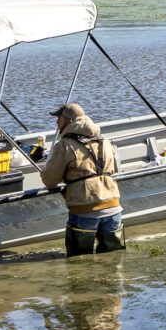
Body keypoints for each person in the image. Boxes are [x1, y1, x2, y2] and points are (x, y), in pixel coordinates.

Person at [41, 102, 124, 254]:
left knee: (78, 260)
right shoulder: (104, 140)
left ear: (67, 121)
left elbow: (50, 180)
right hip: (113, 207)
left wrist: (45, 172)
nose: (57, 123)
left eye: (58, 119)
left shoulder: (64, 145)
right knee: (114, 257)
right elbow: (115, 169)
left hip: (84, 210)